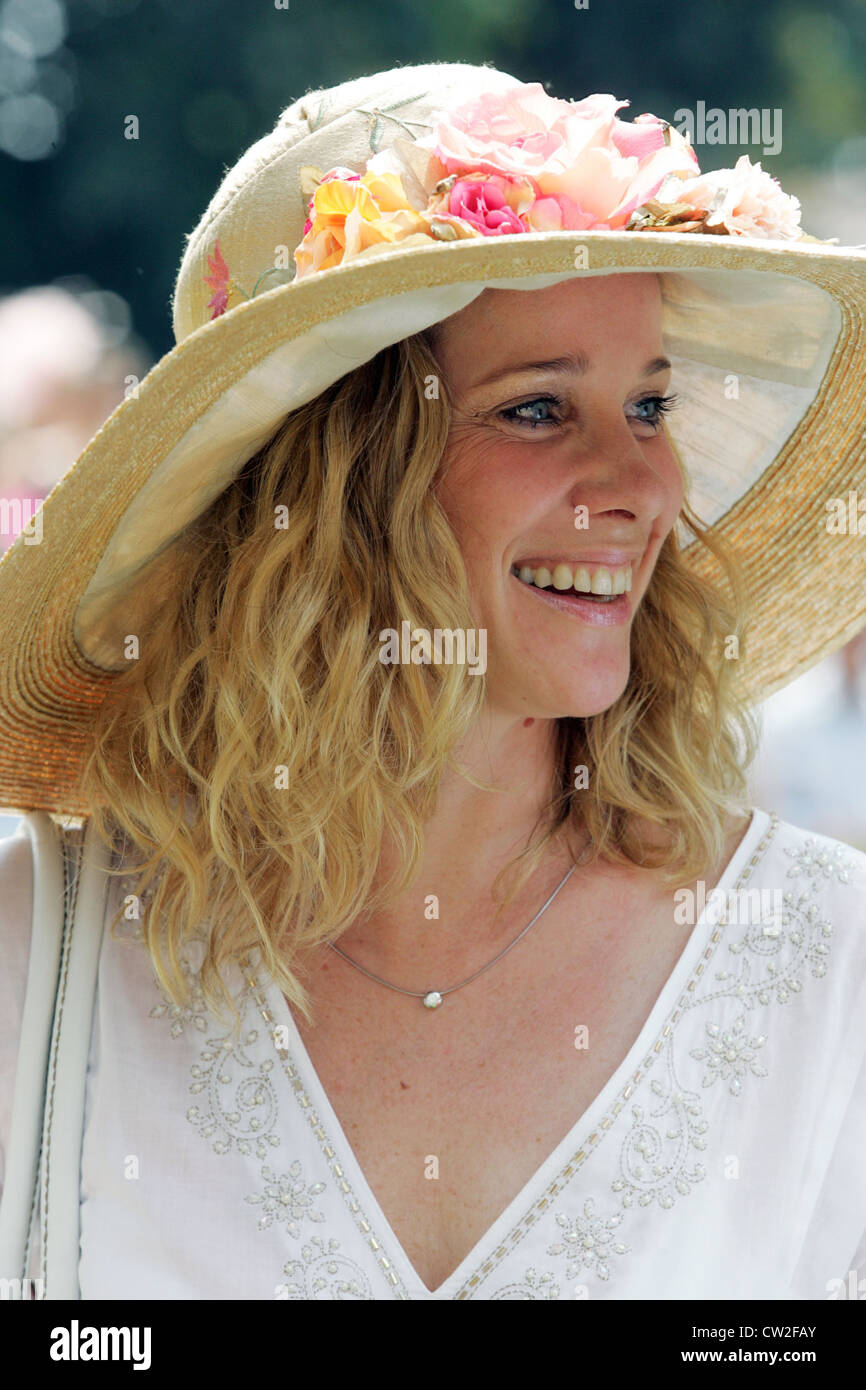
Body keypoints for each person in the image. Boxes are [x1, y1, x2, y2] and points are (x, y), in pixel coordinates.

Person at [1, 61, 865, 1302]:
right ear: (342, 484)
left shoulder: (820, 964)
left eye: (648, 402)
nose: (637, 485)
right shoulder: (41, 948)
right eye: (534, 410)